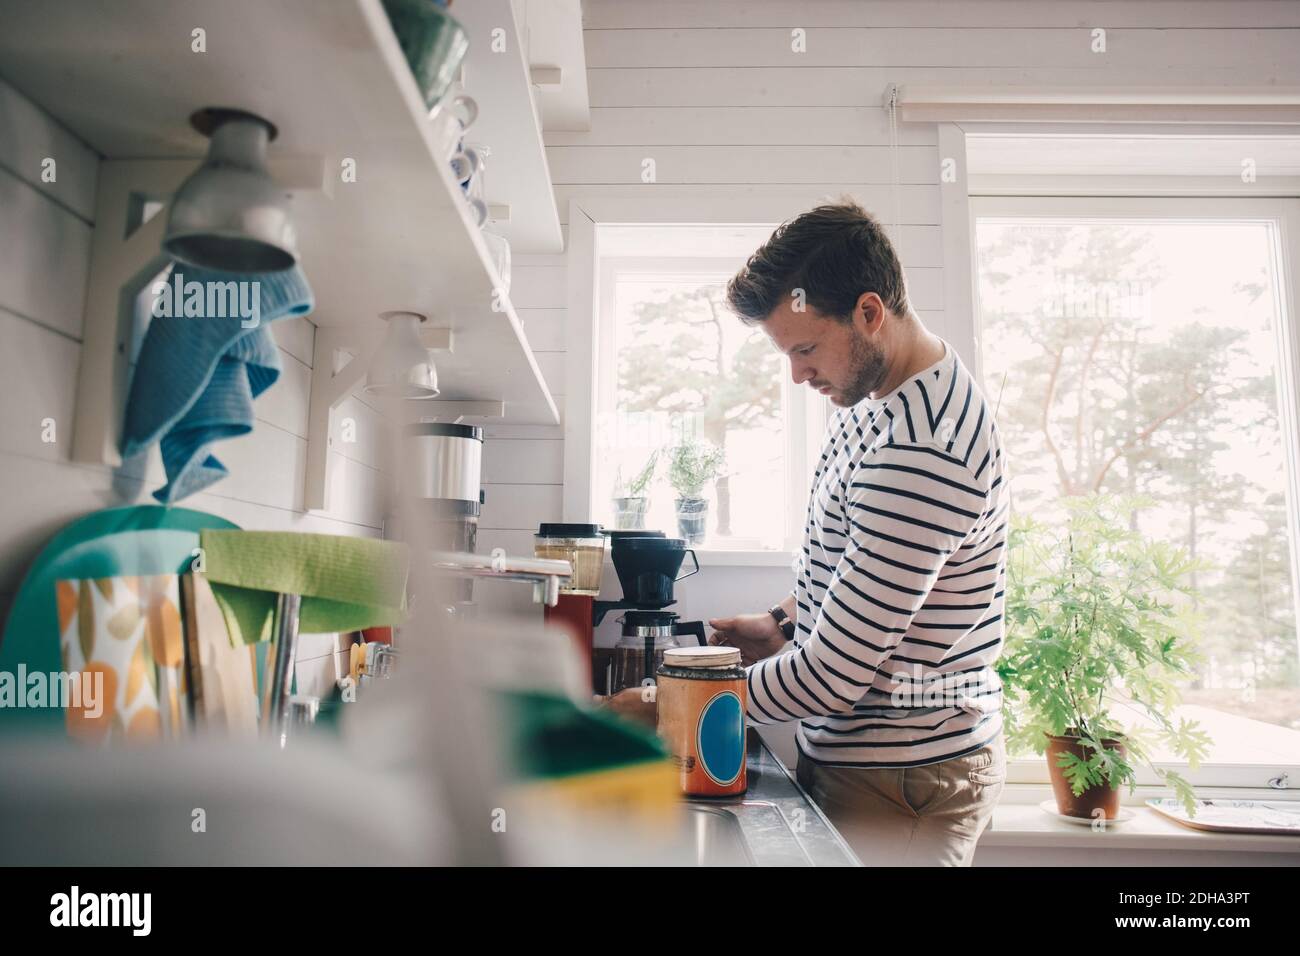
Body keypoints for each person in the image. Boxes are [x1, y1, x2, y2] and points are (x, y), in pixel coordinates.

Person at [706, 199, 1011, 866]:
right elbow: (865, 567)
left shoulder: (923, 447)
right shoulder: (879, 395)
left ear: (870, 313)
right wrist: (781, 623)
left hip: (903, 781)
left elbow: (836, 674)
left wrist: (684, 702)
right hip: (875, 766)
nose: (797, 373)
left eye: (806, 348)